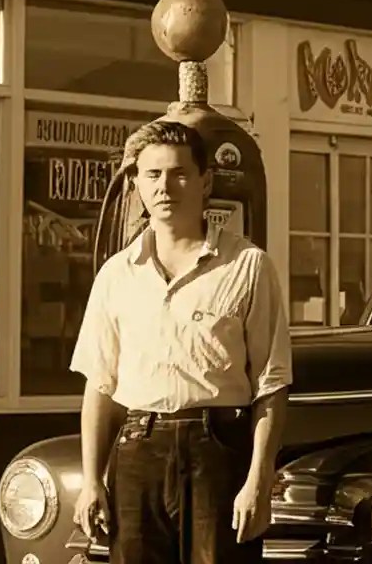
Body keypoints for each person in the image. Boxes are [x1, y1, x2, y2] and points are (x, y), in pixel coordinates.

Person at [68, 120, 292, 564]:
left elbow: (271, 384)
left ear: (206, 181)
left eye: (179, 173)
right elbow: (100, 386)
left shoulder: (247, 265)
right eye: (152, 175)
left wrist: (258, 481)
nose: (165, 186)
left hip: (218, 448)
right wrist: (92, 479)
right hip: (137, 448)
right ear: (135, 184)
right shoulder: (116, 274)